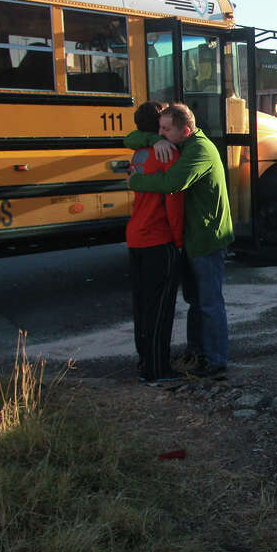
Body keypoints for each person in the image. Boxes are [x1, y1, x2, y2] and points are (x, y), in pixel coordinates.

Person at [127, 103, 233, 378]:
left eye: (165, 129)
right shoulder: (179, 144)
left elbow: (171, 183)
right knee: (195, 300)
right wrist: (154, 139)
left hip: (206, 238)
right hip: (190, 237)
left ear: (184, 131)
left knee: (209, 302)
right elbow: (131, 138)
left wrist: (135, 181)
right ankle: (197, 351)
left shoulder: (199, 150)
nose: (161, 133)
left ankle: (215, 360)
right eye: (159, 128)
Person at [125, 101, 183, 383]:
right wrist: (179, 240)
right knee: (160, 308)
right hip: (158, 239)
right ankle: (157, 369)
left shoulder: (137, 154)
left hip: (136, 236)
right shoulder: (166, 154)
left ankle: (144, 361)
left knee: (142, 306)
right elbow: (173, 203)